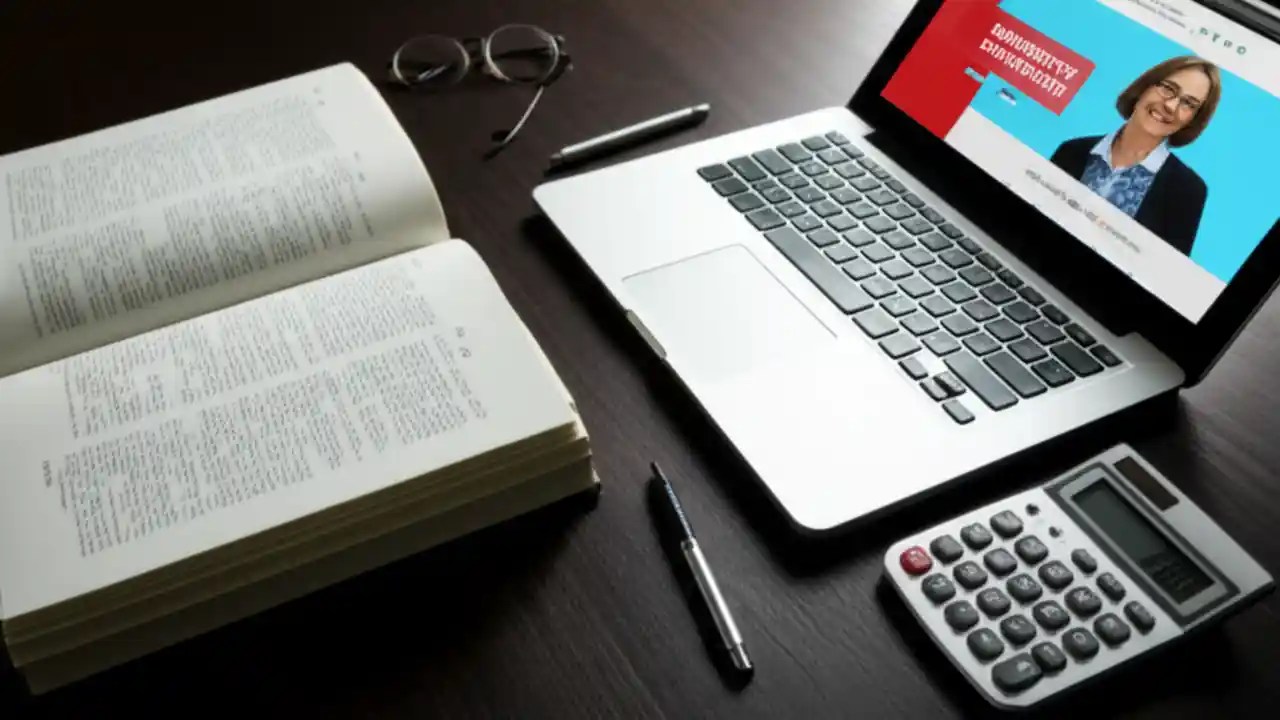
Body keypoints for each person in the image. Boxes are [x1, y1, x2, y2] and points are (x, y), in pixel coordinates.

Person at [1051, 56, 1221, 256]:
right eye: (1169, 88)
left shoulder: (1187, 190)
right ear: (1144, 87)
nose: (1171, 106)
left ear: (1193, 120)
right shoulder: (1072, 150)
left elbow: (1163, 272)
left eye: (1188, 104)